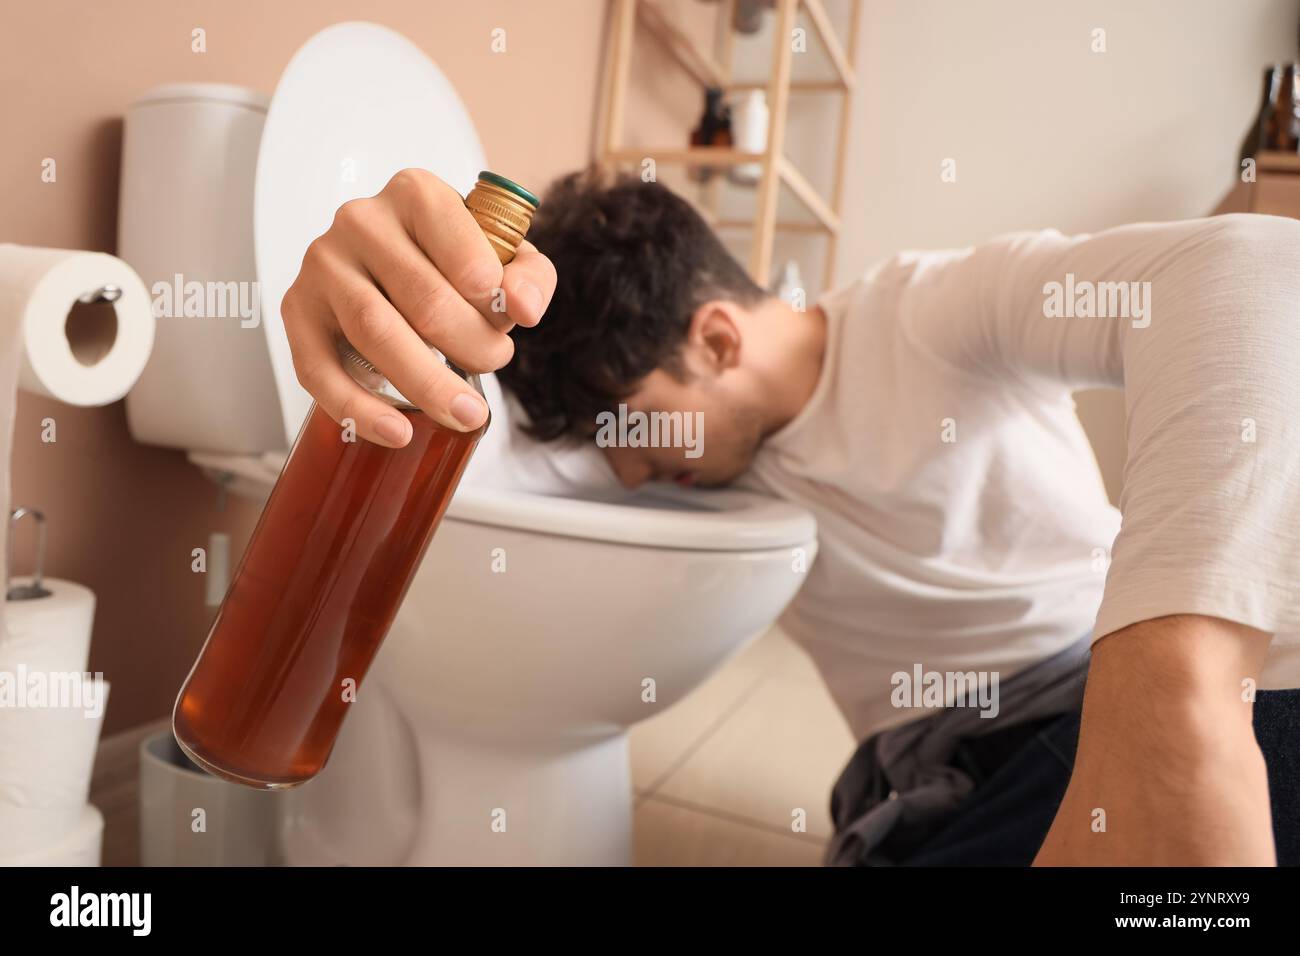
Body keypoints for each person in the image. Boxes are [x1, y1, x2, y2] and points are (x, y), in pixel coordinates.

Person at [281, 166, 1300, 866]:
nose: (626, 476)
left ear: (717, 338)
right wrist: (379, 327)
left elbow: (1250, 271)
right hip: (944, 779)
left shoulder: (933, 316)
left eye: (632, 433)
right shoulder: (695, 459)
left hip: (1107, 689)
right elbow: (484, 472)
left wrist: (1170, 707)